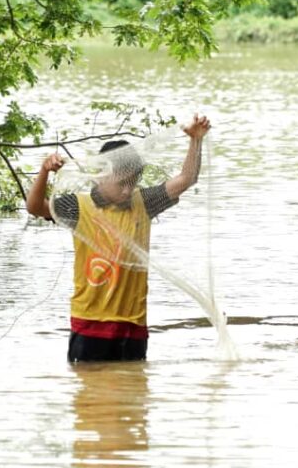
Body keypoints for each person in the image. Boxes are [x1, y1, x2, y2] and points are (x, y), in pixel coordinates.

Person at [25, 114, 211, 362]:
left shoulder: (142, 203)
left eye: (132, 182)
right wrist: (44, 171)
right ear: (103, 175)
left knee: (132, 392)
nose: (127, 190)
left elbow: (186, 179)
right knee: (89, 395)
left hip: (133, 325)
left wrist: (195, 141)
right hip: (89, 323)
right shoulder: (79, 207)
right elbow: (35, 207)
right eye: (122, 183)